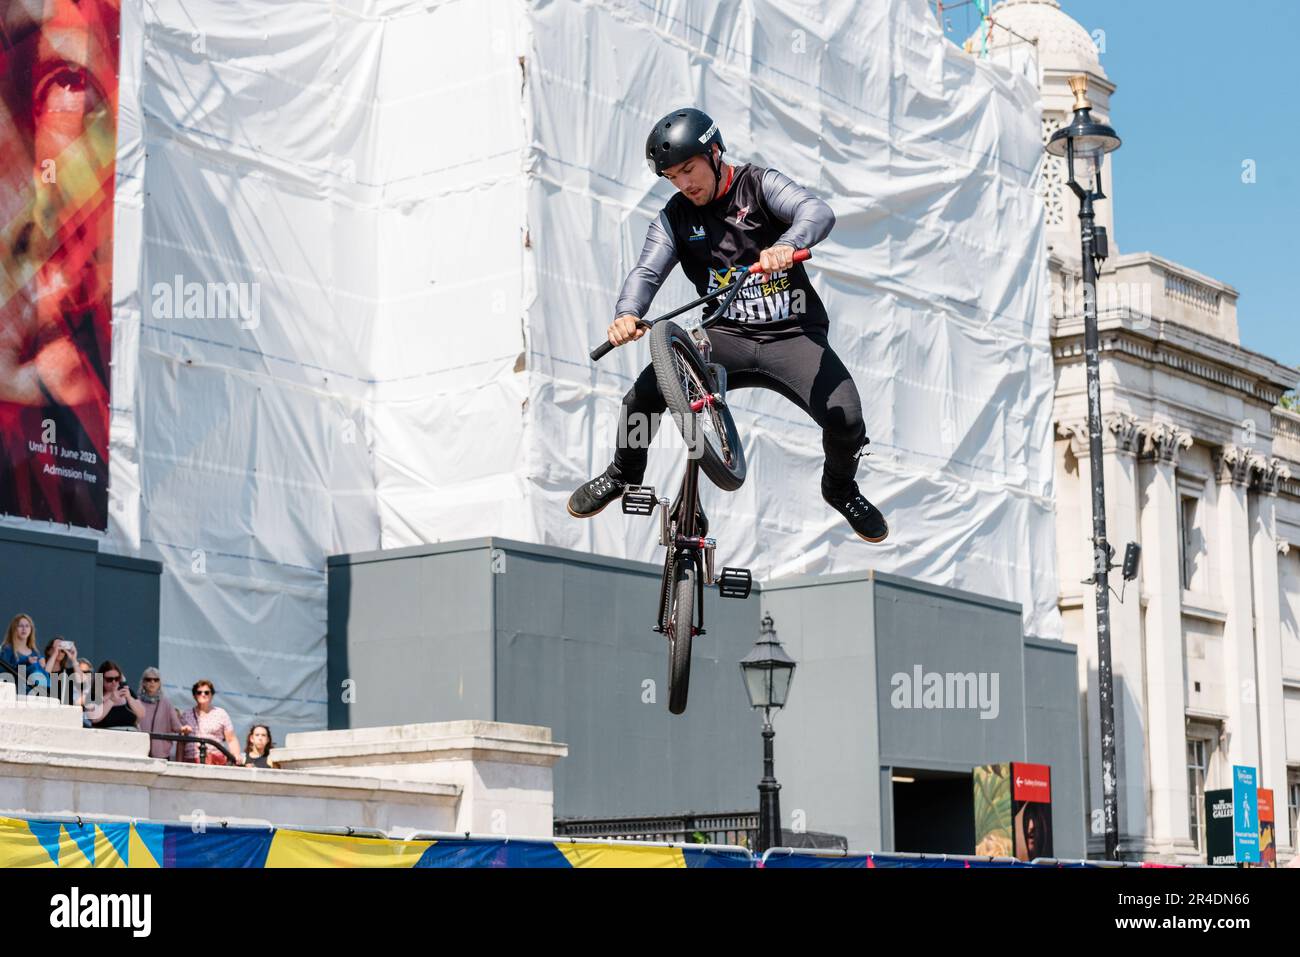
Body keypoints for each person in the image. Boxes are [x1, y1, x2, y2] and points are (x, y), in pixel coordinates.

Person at [567, 108, 887, 543]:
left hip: (792, 335)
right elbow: (646, 272)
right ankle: (623, 471)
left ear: (715, 153)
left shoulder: (759, 185)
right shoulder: (674, 217)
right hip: (724, 335)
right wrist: (627, 313)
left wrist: (786, 244)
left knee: (846, 418)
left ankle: (840, 487)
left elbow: (817, 212)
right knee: (642, 396)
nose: (684, 183)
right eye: (672, 177)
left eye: (689, 169)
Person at [178, 680, 242, 766]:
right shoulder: (186, 715)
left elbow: (231, 739)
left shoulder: (221, 713)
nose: (203, 694)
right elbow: (181, 743)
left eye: (207, 692)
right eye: (199, 692)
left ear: (212, 695)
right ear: (194, 696)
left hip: (216, 761)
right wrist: (178, 763)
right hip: (191, 760)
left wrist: (236, 755)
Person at [137, 666, 184, 760]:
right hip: (140, 753)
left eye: (156, 680)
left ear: (159, 683)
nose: (152, 682)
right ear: (143, 683)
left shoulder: (166, 703)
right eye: (148, 679)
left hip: (161, 755)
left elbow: (176, 726)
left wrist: (184, 729)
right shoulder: (136, 702)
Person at [2, 613, 53, 693]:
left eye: (27, 626)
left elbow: (44, 673)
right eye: (20, 626)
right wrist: (26, 661)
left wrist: (42, 664)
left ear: (31, 629)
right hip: (16, 692)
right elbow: (3, 671)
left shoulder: (34, 652)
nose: (24, 629)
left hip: (36, 692)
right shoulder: (8, 649)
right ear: (14, 629)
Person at [86, 660, 144, 729]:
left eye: (117, 679)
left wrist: (129, 698)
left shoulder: (127, 692)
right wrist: (111, 700)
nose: (114, 682)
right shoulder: (94, 695)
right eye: (109, 679)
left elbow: (141, 714)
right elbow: (93, 718)